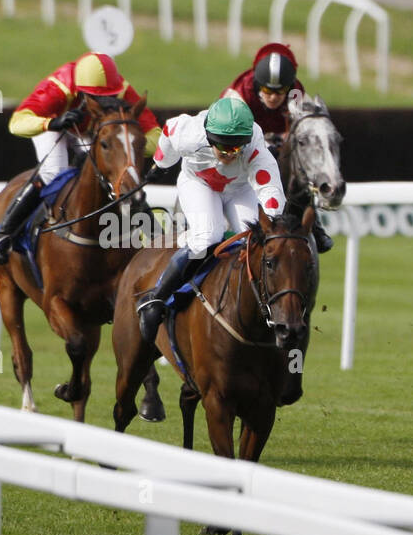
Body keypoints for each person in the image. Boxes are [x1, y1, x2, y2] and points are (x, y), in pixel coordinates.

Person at [0, 52, 161, 264]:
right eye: (97, 97)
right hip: (54, 126)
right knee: (53, 171)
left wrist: (132, 145)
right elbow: (18, 123)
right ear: (80, 90)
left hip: (92, 132)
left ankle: (155, 236)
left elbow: (155, 135)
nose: (104, 101)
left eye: (108, 96)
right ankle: (4, 235)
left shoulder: (122, 90)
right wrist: (53, 123)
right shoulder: (59, 87)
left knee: (118, 172)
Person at [136, 97, 287, 341]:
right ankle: (155, 298)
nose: (230, 154)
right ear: (209, 137)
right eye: (224, 148)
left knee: (255, 240)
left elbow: (270, 188)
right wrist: (161, 162)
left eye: (236, 148)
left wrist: (272, 222)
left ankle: (269, 309)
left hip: (239, 189)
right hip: (199, 183)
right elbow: (168, 133)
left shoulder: (255, 144)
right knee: (209, 235)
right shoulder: (189, 133)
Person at [222, 43, 333, 253]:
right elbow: (228, 133)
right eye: (267, 91)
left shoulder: (297, 92)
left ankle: (314, 224)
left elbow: (304, 128)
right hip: (237, 146)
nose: (273, 97)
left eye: (279, 92)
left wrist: (287, 140)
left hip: (278, 145)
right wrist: (262, 142)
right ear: (258, 86)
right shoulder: (239, 94)